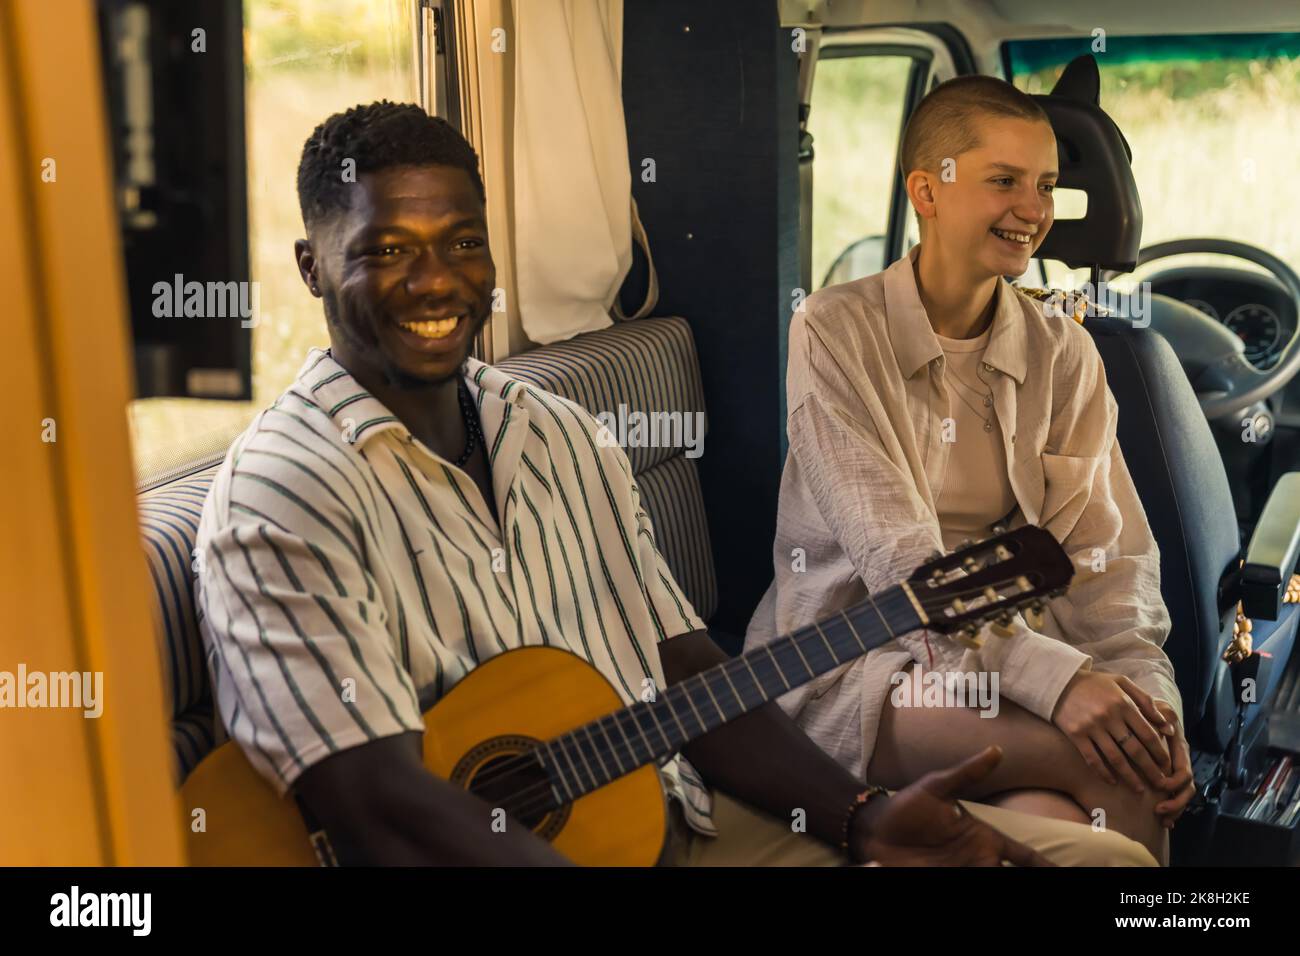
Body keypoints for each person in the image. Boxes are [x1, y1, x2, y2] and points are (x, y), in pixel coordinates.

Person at [194, 100, 1149, 866]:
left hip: (678, 816)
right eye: (386, 250)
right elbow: (377, 804)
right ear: (312, 268)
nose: (437, 280)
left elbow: (688, 671)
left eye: (463, 242)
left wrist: (859, 819)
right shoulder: (286, 496)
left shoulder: (555, 435)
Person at [746, 76, 1193, 865]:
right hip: (866, 663)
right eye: (1005, 182)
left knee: (1065, 813)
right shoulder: (834, 331)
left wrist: (1147, 697)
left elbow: (1109, 561)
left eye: (1047, 185)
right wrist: (1060, 686)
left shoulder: (1065, 352)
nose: (1035, 209)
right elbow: (901, 571)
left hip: (1024, 655)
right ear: (927, 190)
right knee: (1117, 775)